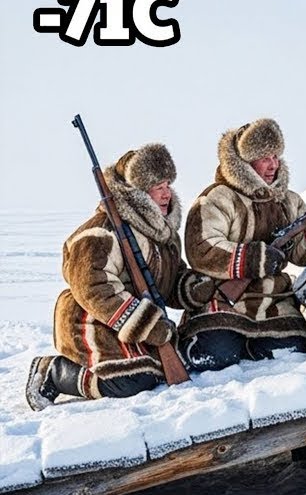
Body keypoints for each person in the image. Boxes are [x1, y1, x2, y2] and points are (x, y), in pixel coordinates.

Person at [25, 144, 215, 409]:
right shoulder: (100, 232)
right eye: (157, 187)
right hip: (91, 321)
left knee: (158, 373)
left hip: (137, 326)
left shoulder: (164, 236)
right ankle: (54, 372)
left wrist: (192, 287)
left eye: (167, 184)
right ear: (137, 193)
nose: (166, 194)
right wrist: (148, 325)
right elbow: (92, 286)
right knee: (128, 382)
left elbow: (168, 280)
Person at [179, 118, 306, 372]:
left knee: (290, 349)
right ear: (246, 162)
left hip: (274, 302)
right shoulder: (217, 198)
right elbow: (202, 249)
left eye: (276, 156)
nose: (273, 164)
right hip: (224, 301)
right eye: (264, 158)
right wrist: (254, 258)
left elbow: (301, 255)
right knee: (215, 356)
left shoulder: (291, 201)